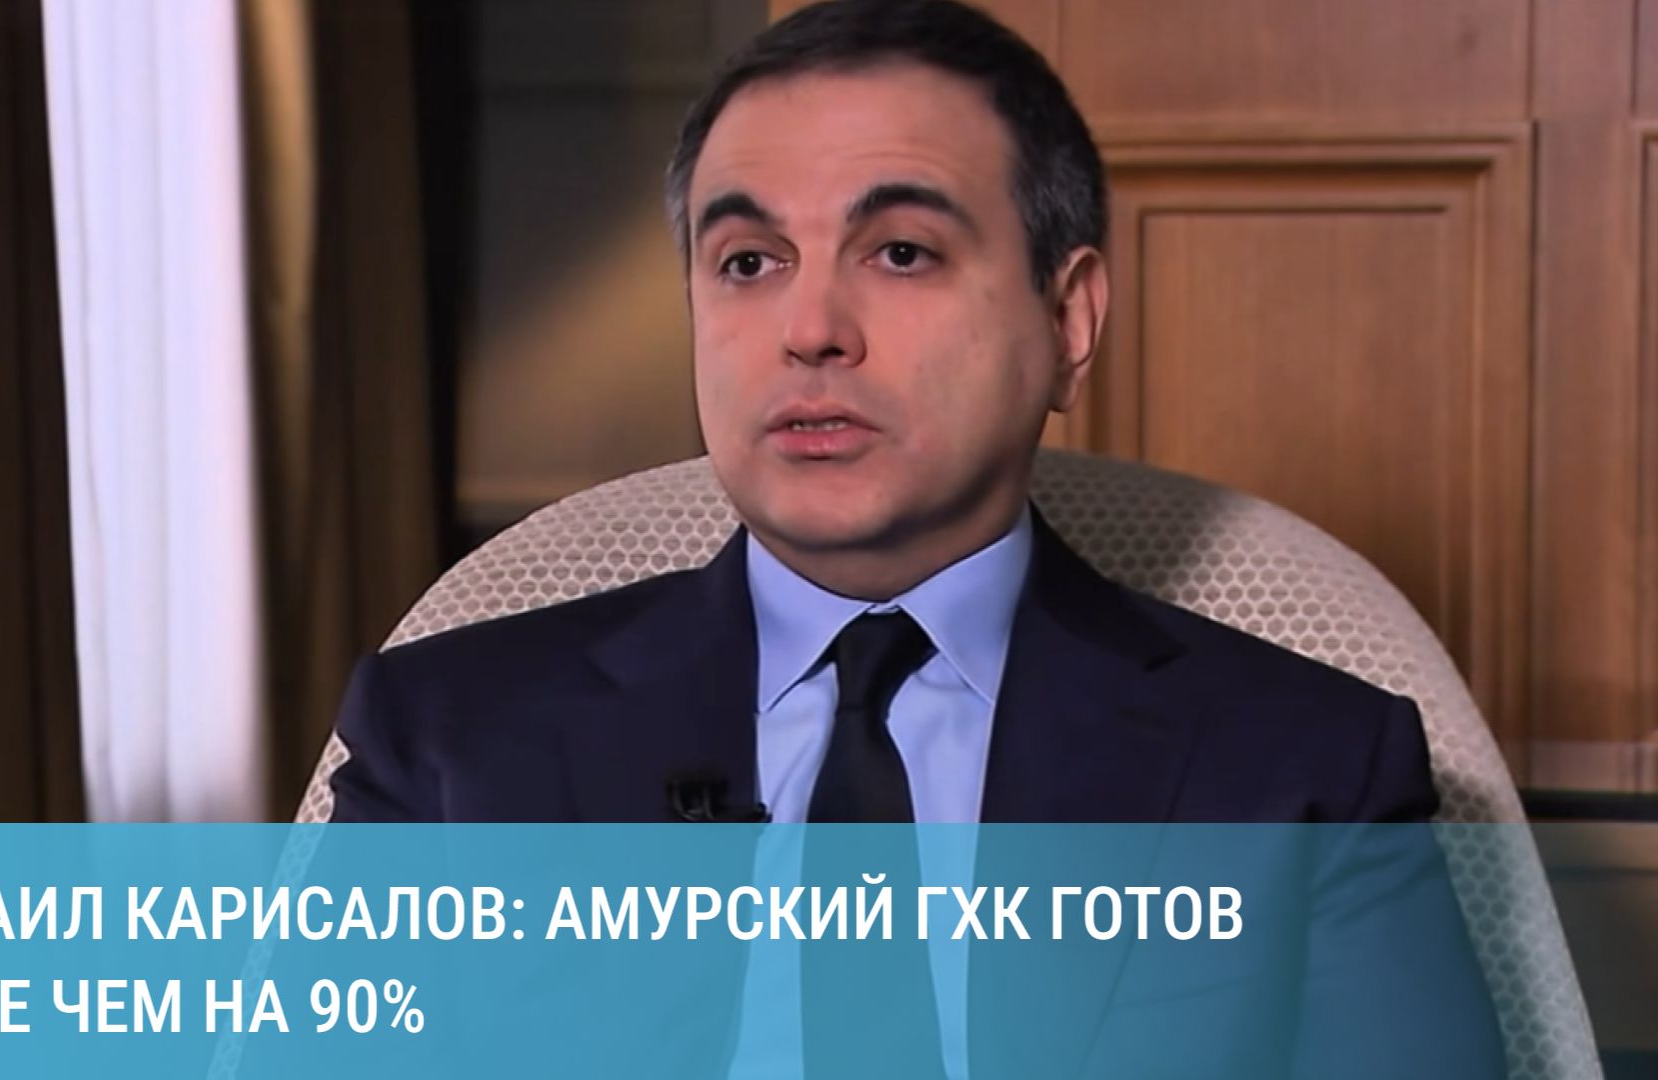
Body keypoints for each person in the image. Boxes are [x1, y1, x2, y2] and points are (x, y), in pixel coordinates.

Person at [329, 0, 1505, 1075]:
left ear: (1068, 320)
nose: (809, 328)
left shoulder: (1306, 770)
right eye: (749, 263)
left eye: (900, 251)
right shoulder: (446, 742)